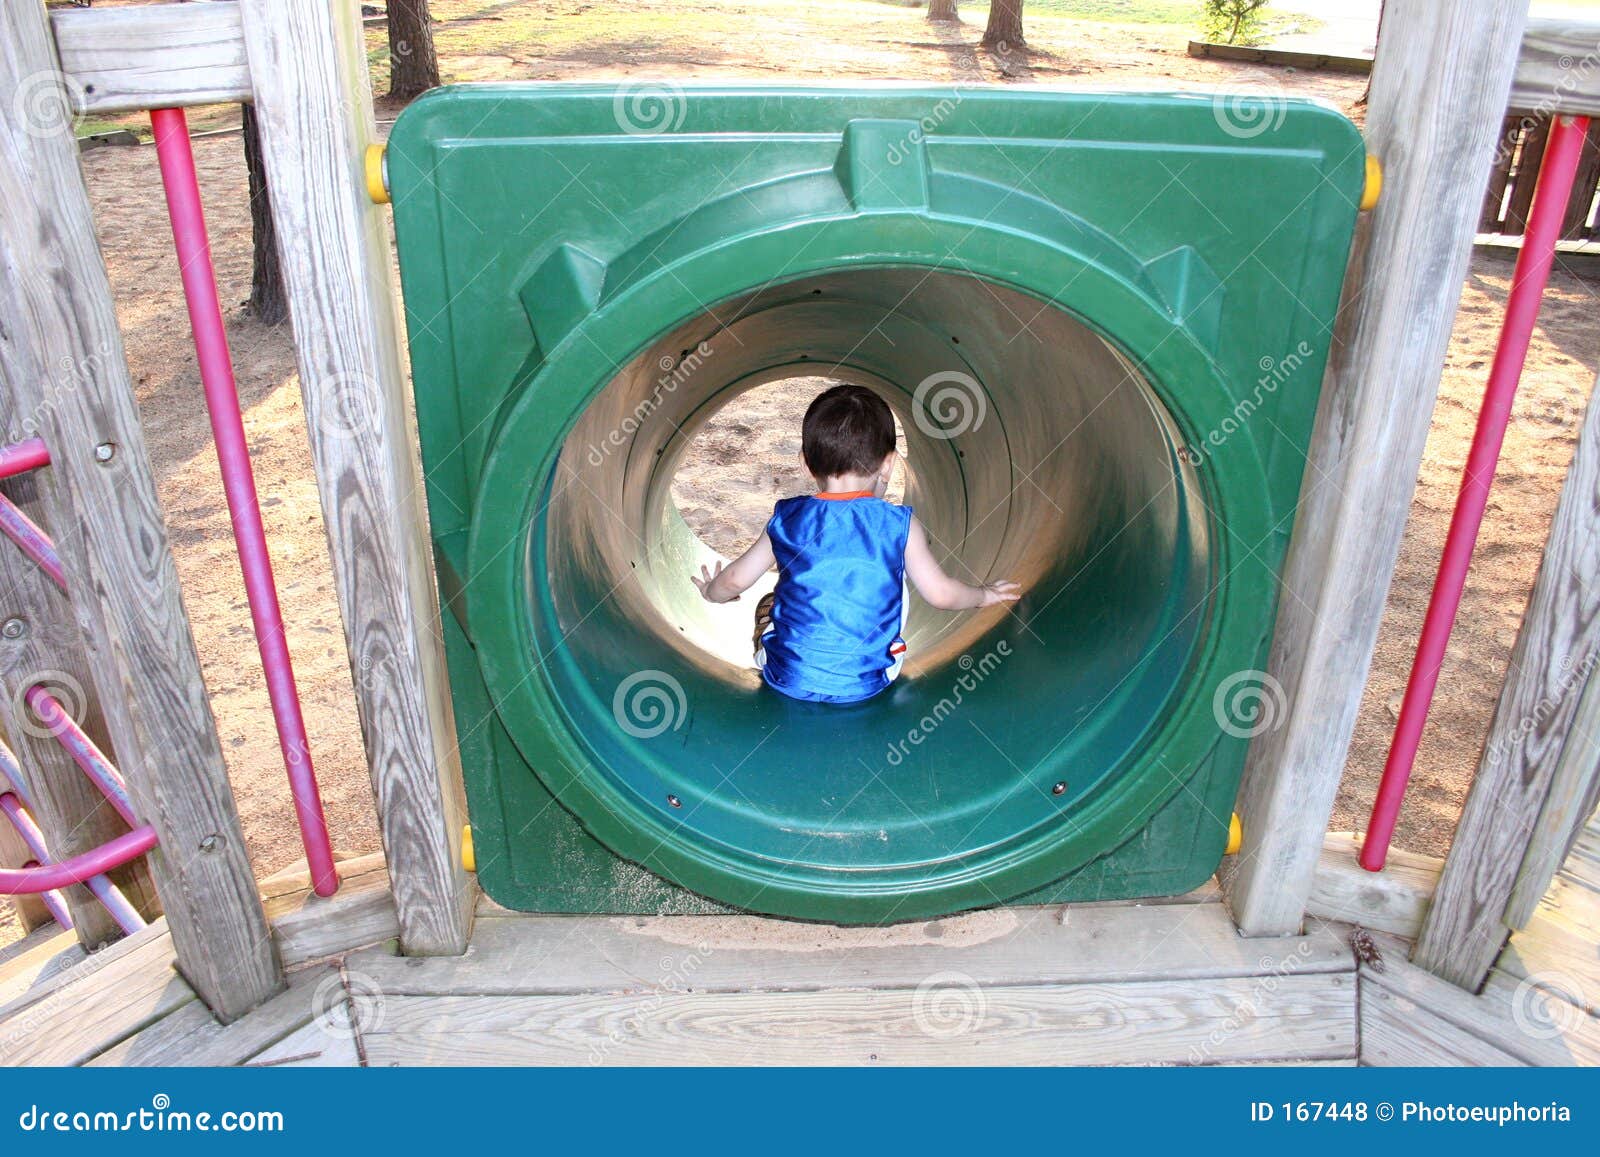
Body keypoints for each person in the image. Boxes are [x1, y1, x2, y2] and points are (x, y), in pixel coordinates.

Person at [691, 383, 1020, 704]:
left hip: (785, 677)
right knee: (892, 570)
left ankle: (768, 629)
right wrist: (984, 595)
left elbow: (734, 580)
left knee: (773, 603)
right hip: (867, 684)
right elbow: (942, 595)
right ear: (888, 464)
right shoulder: (899, 524)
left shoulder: (788, 518)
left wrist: (712, 592)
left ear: (806, 463)